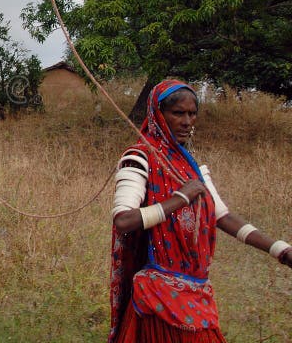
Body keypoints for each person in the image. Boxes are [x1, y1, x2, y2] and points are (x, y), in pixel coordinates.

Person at [109, 79, 292, 342]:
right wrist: (181, 197)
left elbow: (223, 216)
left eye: (192, 114)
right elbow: (124, 221)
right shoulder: (138, 158)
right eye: (178, 113)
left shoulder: (191, 166)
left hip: (197, 291)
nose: (187, 121)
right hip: (158, 294)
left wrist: (281, 251)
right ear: (159, 115)